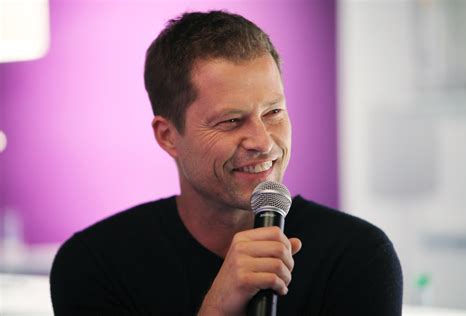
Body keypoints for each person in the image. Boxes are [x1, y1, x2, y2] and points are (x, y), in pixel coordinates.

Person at [50, 10, 403, 315]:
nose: (263, 142)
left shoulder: (357, 256)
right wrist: (218, 306)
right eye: (231, 121)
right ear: (168, 136)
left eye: (274, 112)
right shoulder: (95, 264)